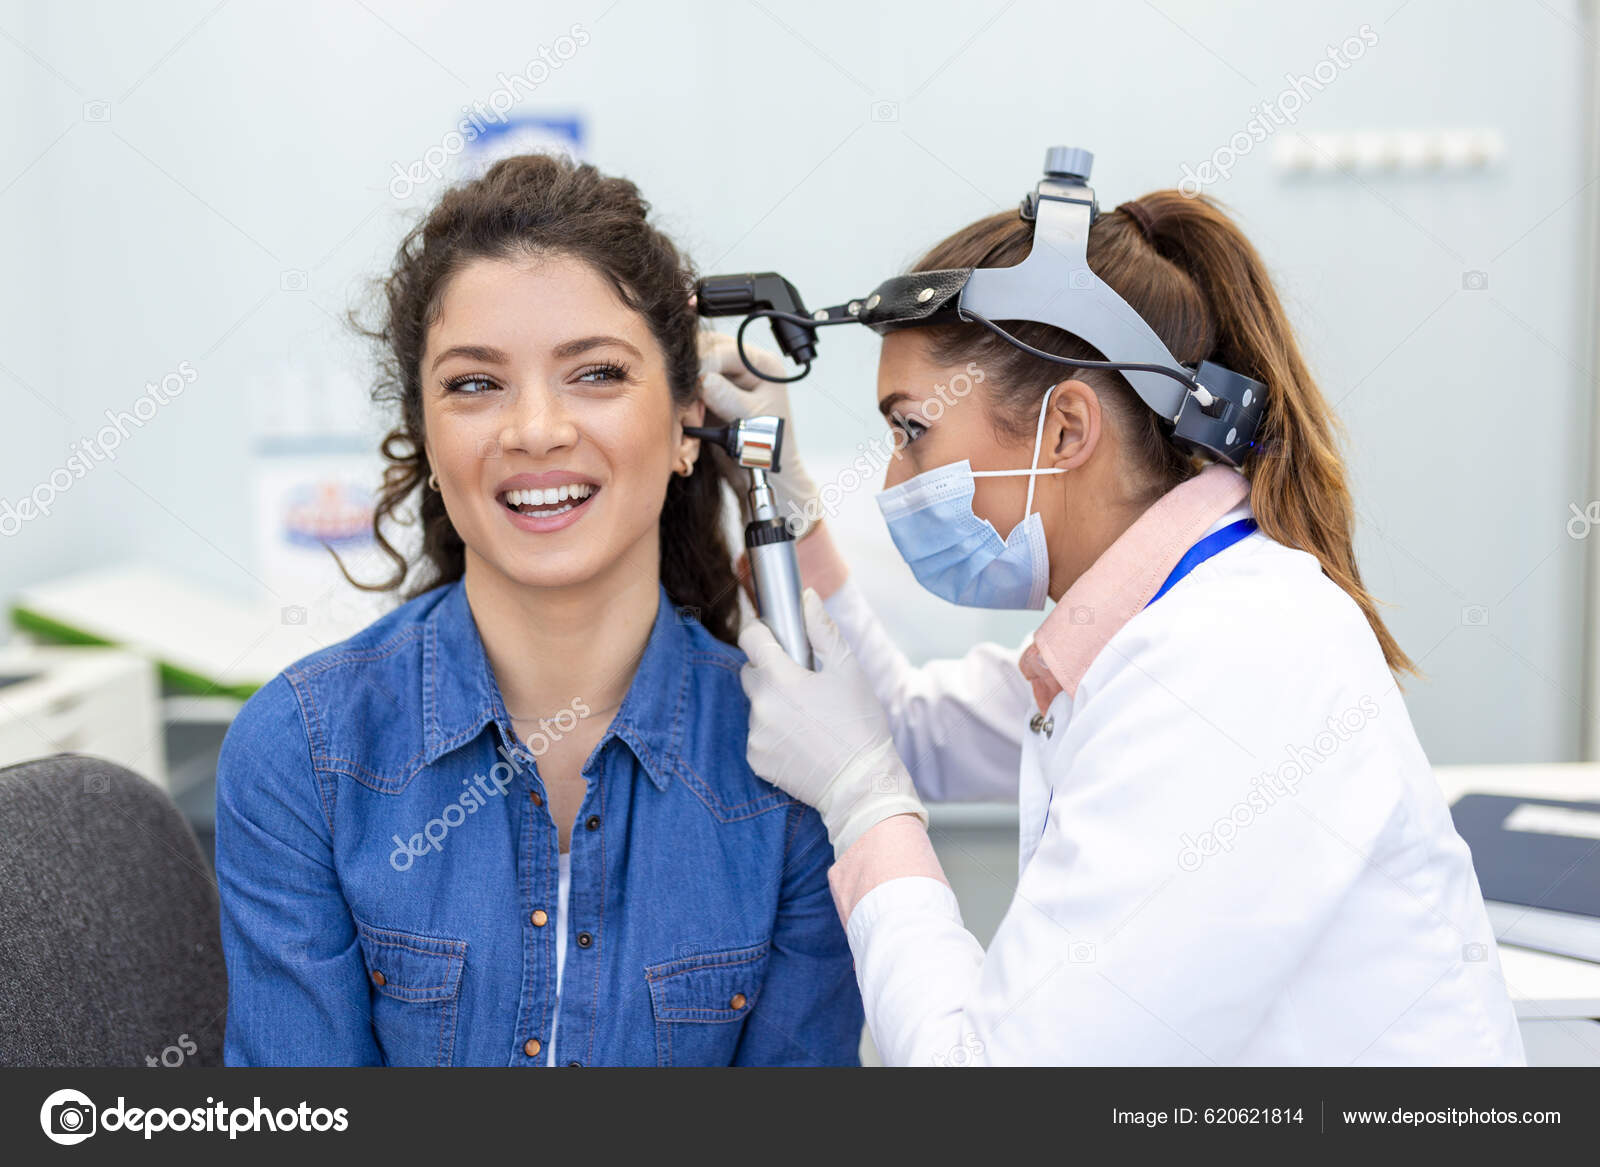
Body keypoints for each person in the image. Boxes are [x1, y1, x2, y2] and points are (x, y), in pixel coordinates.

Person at [707, 189, 1524, 1066]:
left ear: (1064, 429)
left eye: (912, 430)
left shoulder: (1236, 661)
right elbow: (900, 726)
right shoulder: (1148, 623)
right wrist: (783, 495)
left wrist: (864, 801)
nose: (893, 479)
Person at [215, 153, 862, 1066]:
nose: (534, 429)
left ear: (687, 423)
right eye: (475, 384)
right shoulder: (303, 756)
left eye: (595, 373)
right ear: (427, 436)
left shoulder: (793, 771)